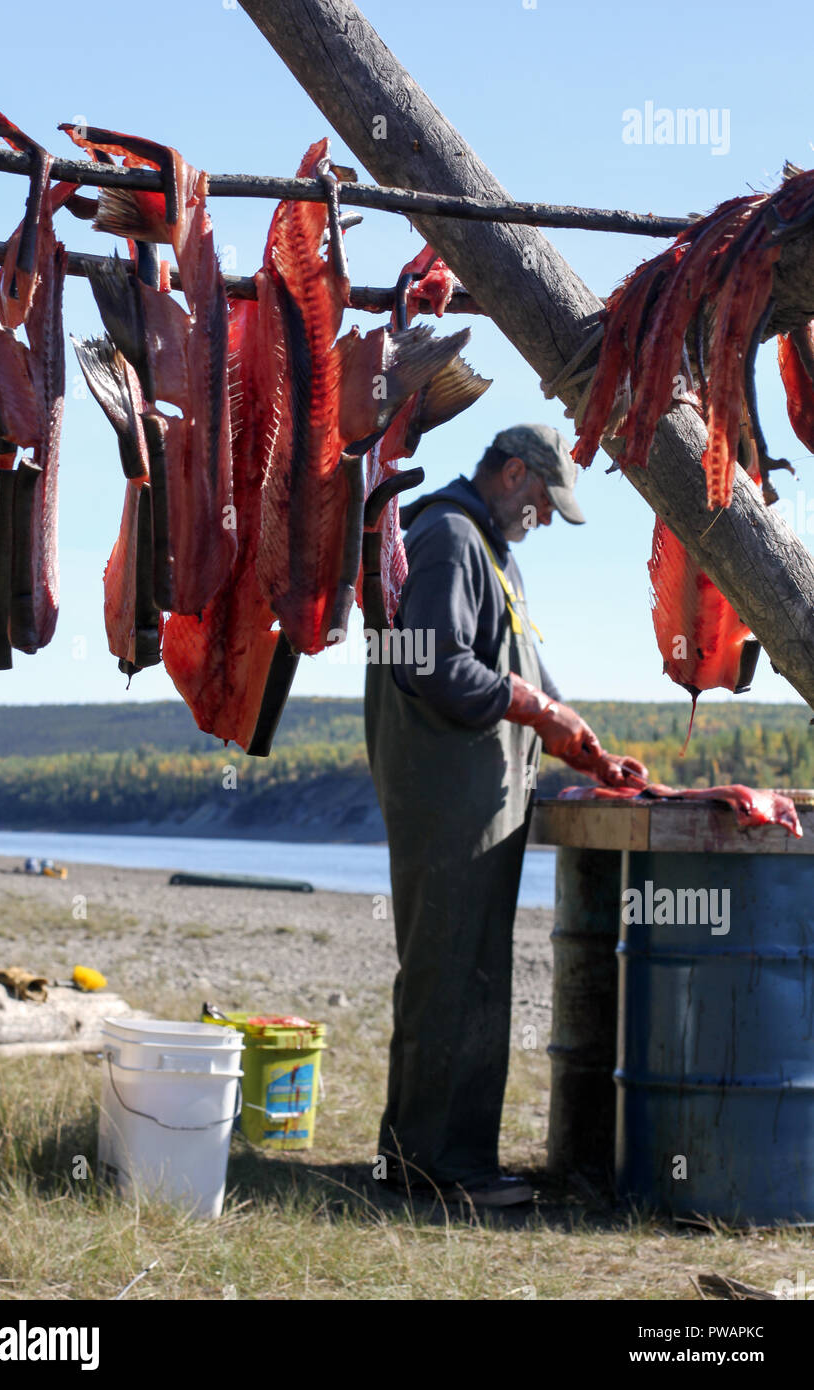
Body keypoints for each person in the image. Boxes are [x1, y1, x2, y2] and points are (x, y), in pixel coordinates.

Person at [364, 423, 648, 1208]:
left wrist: (586, 749)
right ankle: (429, 1169)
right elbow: (434, 664)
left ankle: (456, 1161)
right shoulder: (449, 536)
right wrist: (537, 709)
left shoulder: (496, 554)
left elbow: (527, 672)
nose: (546, 518)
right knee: (446, 975)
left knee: (476, 974)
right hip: (445, 796)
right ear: (514, 472)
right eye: (544, 501)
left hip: (487, 802)